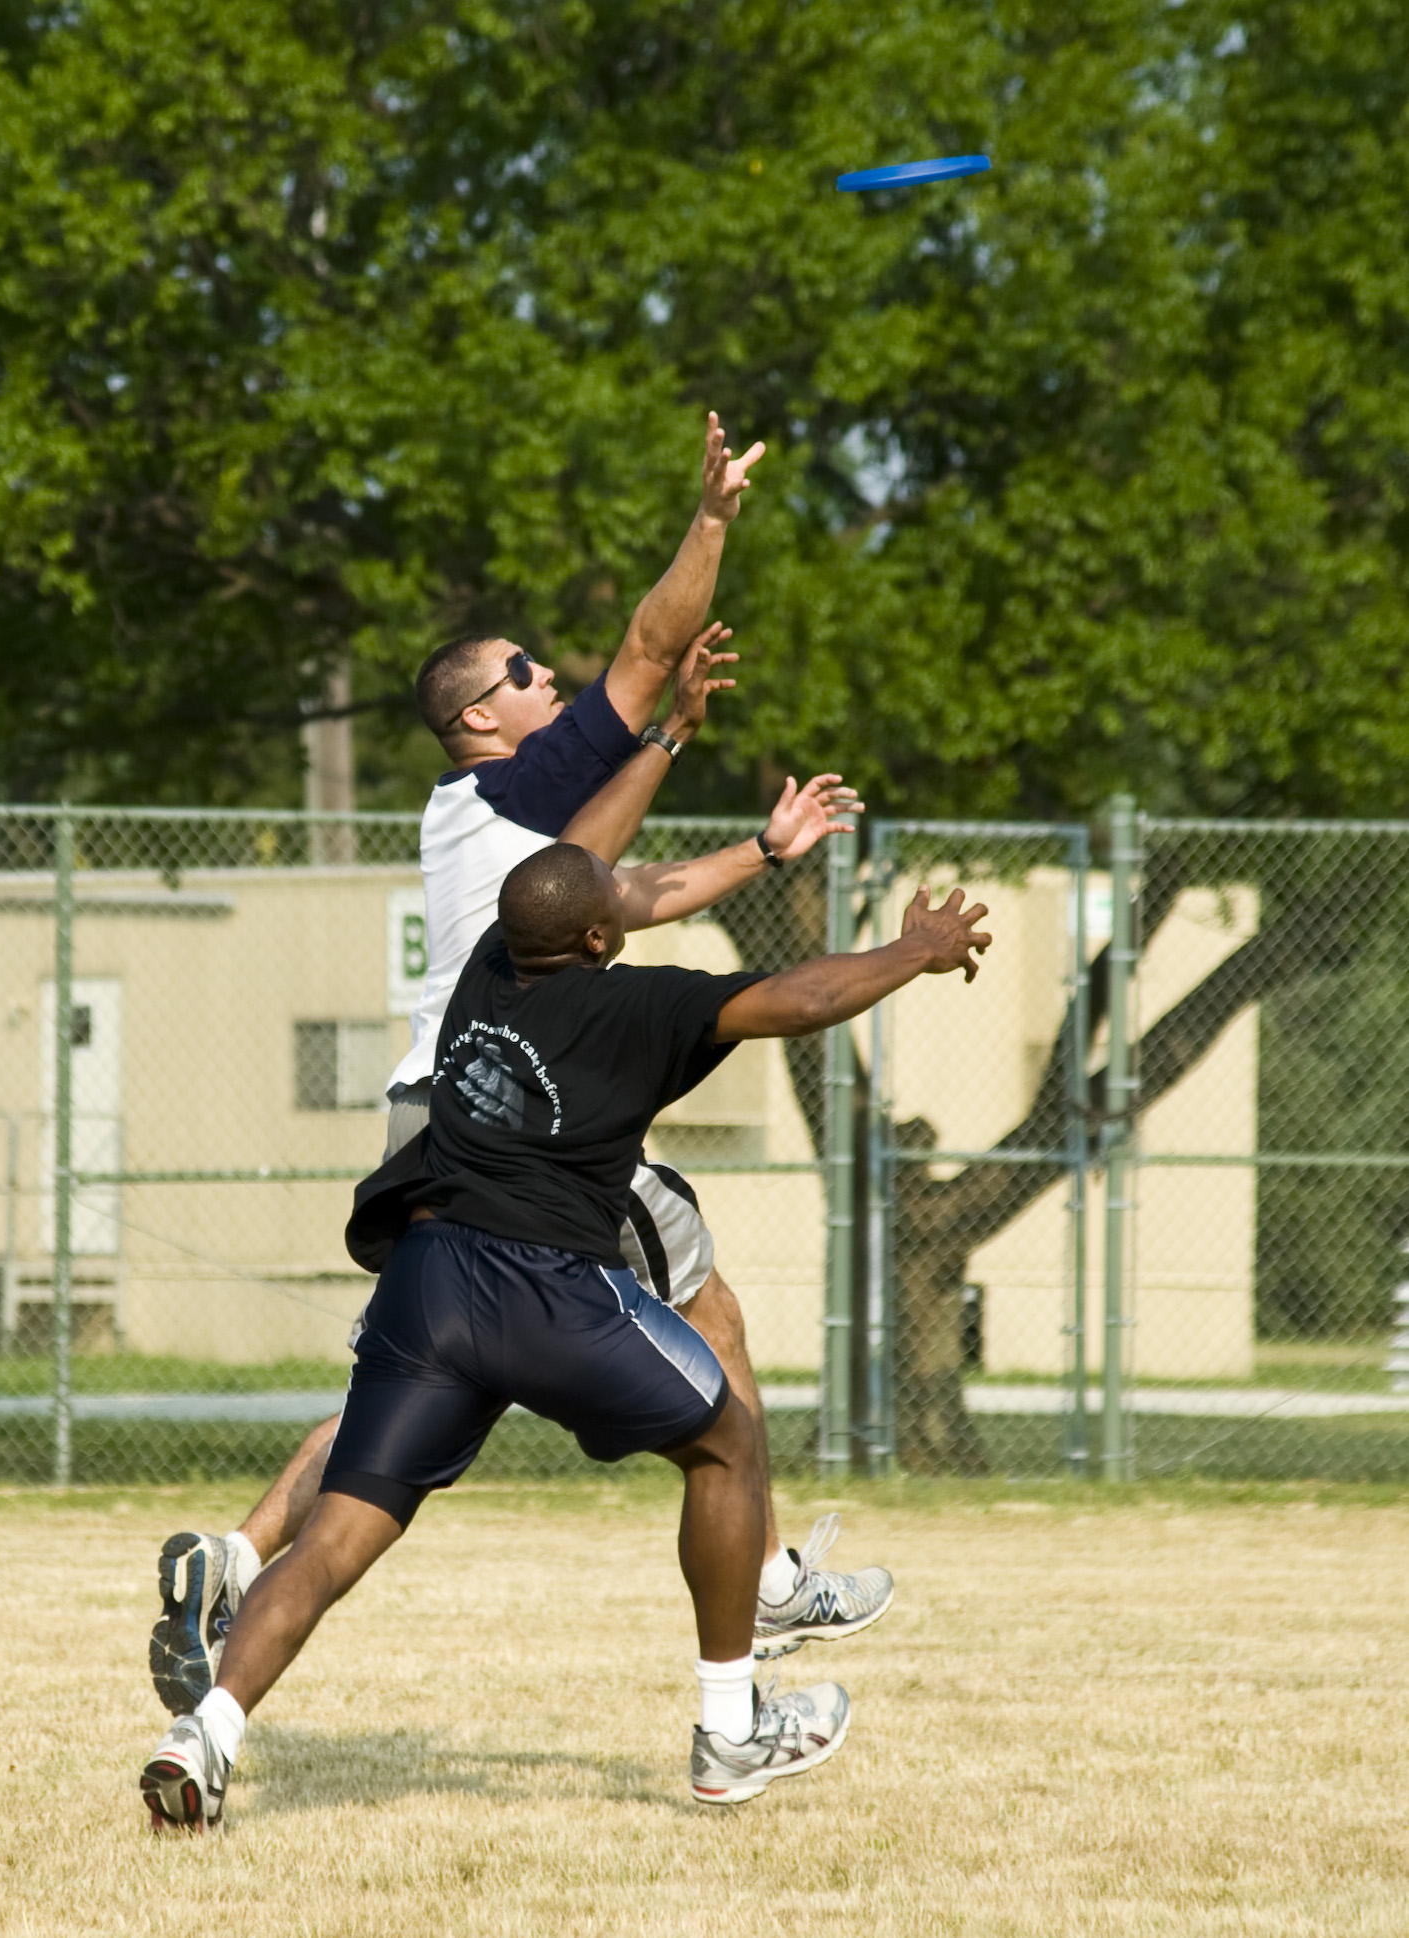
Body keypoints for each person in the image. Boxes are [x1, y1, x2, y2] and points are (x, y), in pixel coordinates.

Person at [148, 413, 883, 1714]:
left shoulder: (494, 823)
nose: (554, 679)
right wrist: (711, 517)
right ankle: (763, 1581)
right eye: (529, 670)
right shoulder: (512, 787)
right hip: (516, 1107)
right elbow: (648, 651)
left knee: (415, 1377)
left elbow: (633, 892)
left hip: (447, 1109)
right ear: (484, 715)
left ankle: (237, 1556)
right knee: (707, 1313)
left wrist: (766, 853)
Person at [140, 845, 992, 1826]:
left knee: (332, 1540)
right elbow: (803, 999)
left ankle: (204, 1734)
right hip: (545, 1290)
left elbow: (567, 868)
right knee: (727, 1442)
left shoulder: (487, 960)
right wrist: (914, 949)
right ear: (595, 937)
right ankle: (730, 1732)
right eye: (612, 896)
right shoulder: (638, 1006)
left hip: (427, 1280)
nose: (626, 892)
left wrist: (722, 831)